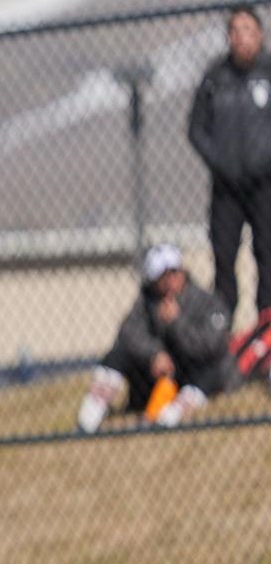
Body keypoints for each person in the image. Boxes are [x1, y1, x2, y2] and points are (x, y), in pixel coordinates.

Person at [76, 244, 241, 433]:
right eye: (162, 276)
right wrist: (154, 354)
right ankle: (90, 417)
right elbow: (128, 332)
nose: (170, 280)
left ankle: (176, 412)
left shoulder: (205, 301)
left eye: (174, 272)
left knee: (210, 367)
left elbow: (211, 345)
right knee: (118, 354)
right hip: (161, 374)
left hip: (195, 372)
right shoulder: (148, 301)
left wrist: (177, 322)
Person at [189, 5, 271, 318]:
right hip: (226, 190)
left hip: (265, 186)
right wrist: (221, 163)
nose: (241, 38)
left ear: (260, 34)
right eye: (234, 31)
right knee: (224, 261)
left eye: (247, 30)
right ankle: (222, 334)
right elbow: (196, 129)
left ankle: (266, 334)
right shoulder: (215, 78)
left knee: (268, 258)